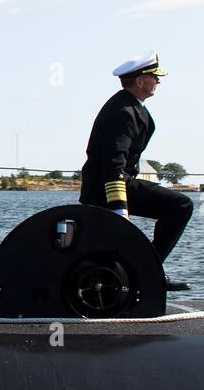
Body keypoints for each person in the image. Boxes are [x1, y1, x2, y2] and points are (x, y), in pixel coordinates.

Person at [79, 50, 192, 291]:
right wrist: (119, 207)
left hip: (112, 183)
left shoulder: (131, 107)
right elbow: (114, 163)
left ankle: (145, 266)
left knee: (177, 206)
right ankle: (148, 268)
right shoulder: (123, 112)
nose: (158, 81)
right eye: (154, 76)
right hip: (107, 187)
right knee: (180, 206)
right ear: (140, 81)